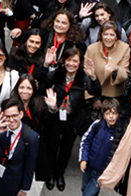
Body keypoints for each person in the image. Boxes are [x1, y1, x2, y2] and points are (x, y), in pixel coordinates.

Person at [41, 47, 100, 191]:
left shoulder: (83, 76)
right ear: (64, 61)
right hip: (55, 114)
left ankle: (59, 173)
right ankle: (50, 173)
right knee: (52, 145)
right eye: (68, 60)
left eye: (75, 61)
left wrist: (93, 77)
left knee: (66, 148)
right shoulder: (58, 73)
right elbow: (43, 85)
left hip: (74, 118)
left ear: (80, 63)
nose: (71, 64)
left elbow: (95, 91)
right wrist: (46, 65)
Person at [0, 98, 39, 196]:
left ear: (21, 114)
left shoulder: (31, 137)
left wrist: (24, 189)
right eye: (7, 116)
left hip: (13, 183)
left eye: (14, 115)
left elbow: (30, 166)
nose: (11, 120)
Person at [78, 98, 119, 196]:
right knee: (84, 189)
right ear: (104, 115)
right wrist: (83, 159)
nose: (111, 116)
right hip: (88, 167)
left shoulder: (119, 132)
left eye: (114, 113)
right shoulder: (97, 125)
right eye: (108, 113)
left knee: (88, 194)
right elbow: (86, 141)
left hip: (101, 172)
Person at [85, 21, 130, 102]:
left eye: (112, 35)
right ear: (101, 35)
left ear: (116, 36)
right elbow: (85, 74)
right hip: (95, 94)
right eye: (105, 34)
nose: (108, 38)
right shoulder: (91, 49)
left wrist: (116, 69)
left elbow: (125, 74)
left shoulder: (124, 48)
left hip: (115, 94)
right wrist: (93, 99)